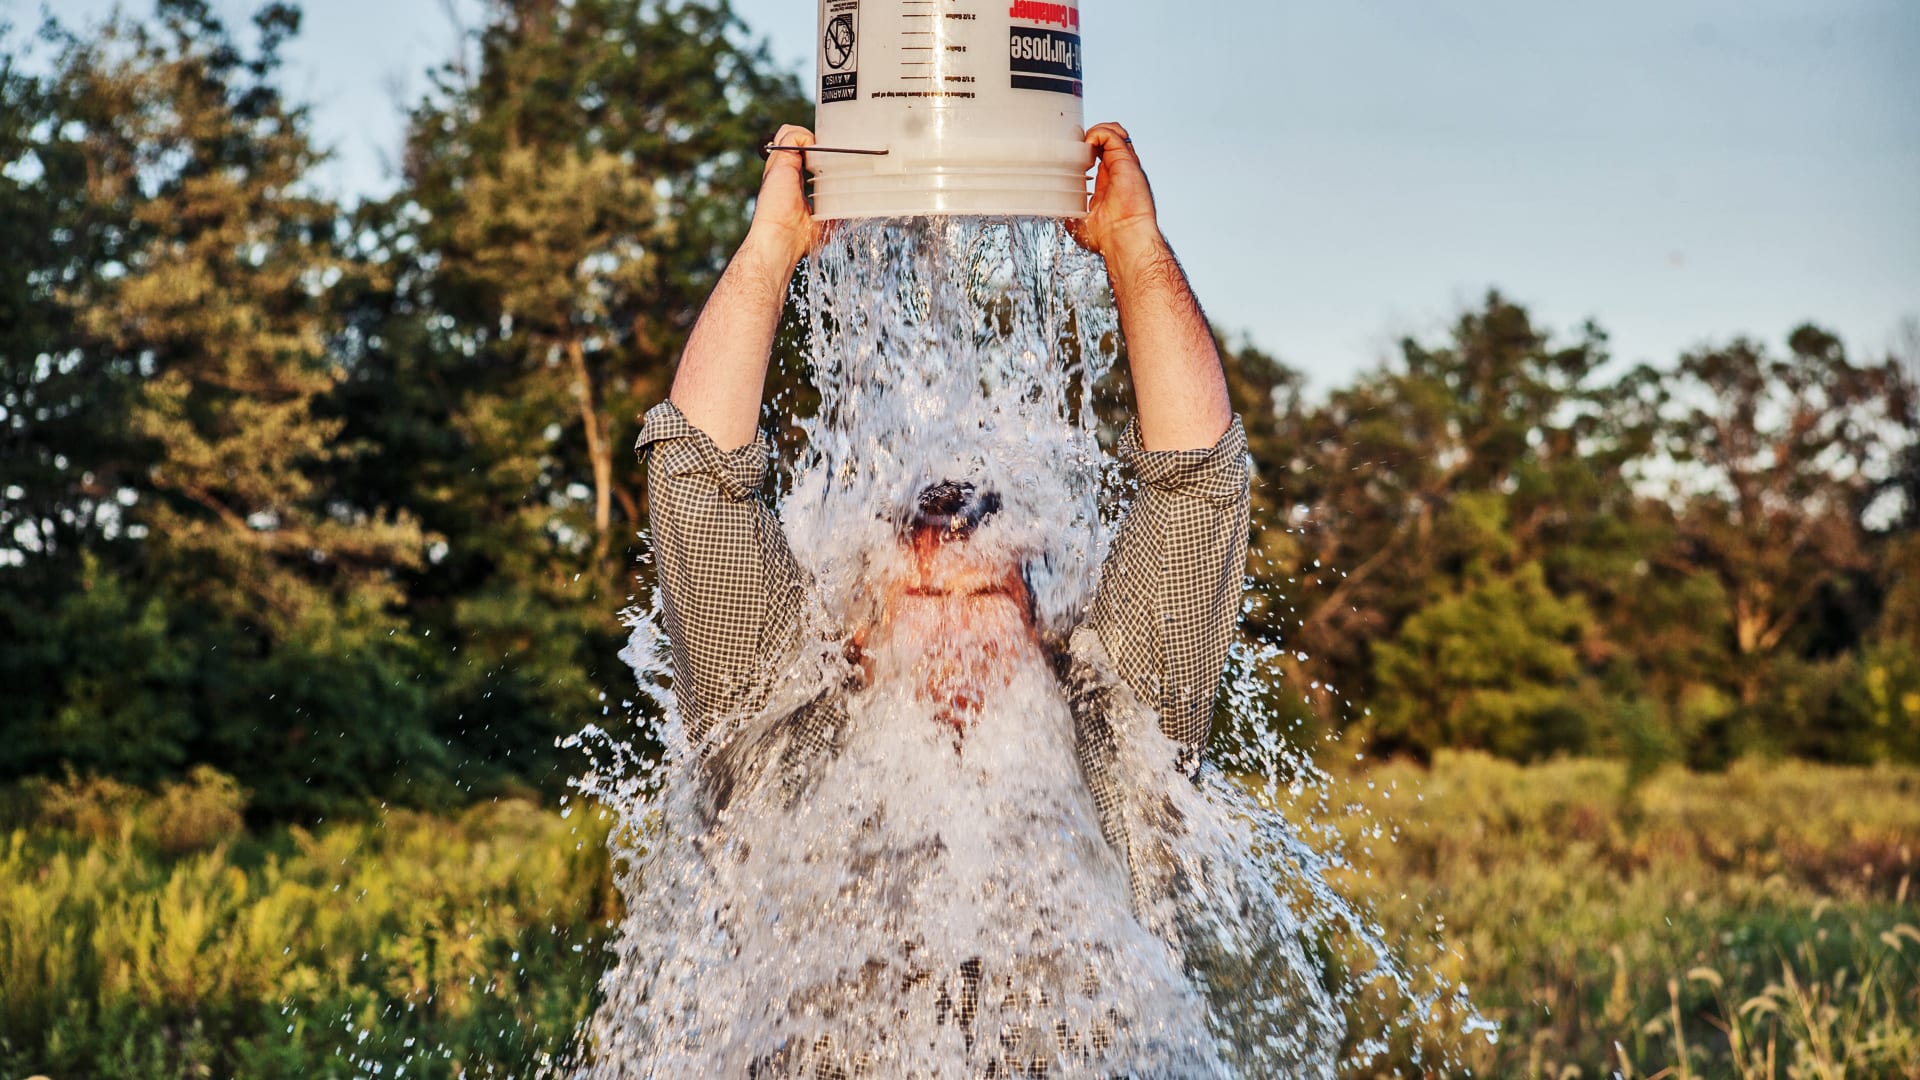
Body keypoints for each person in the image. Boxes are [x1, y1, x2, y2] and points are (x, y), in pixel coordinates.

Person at [634, 120, 1251, 1074]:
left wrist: (1135, 247)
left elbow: (1196, 485)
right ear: (857, 635)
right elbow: (696, 481)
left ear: (1041, 625)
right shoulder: (778, 737)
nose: (950, 603)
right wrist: (772, 249)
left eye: (983, 594)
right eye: (922, 592)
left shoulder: (1115, 739)